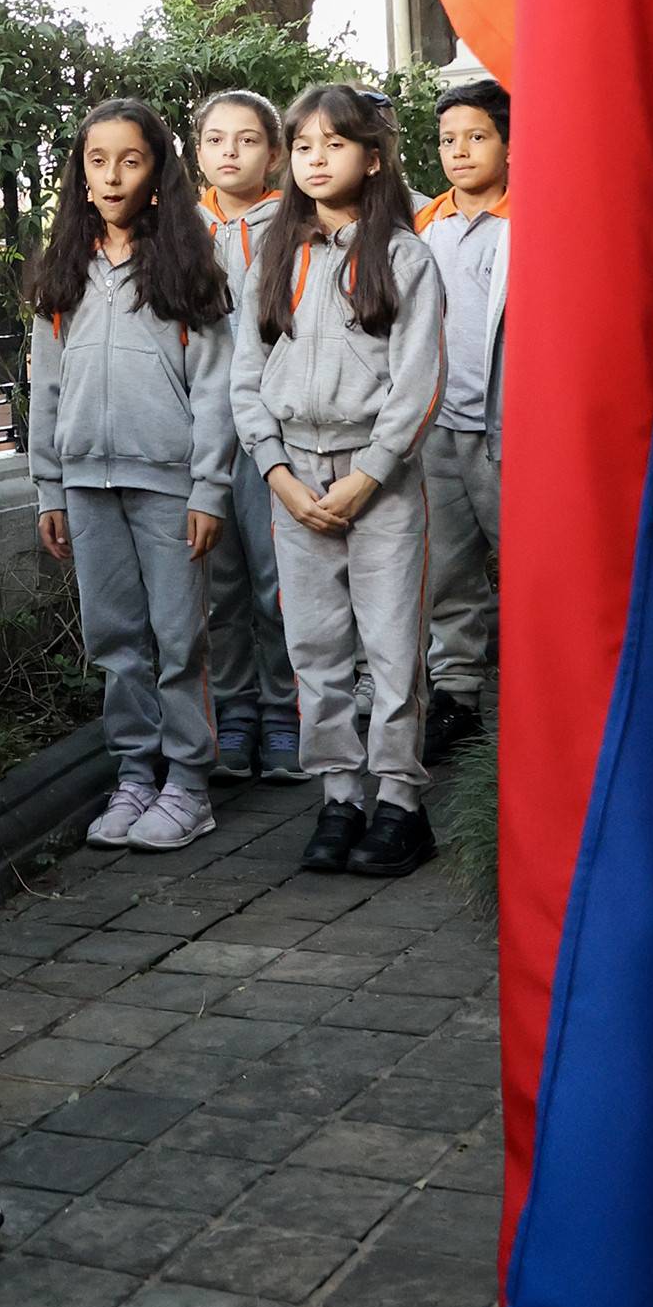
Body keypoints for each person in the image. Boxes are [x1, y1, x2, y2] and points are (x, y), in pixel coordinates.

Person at [230, 83, 446, 881]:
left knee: (391, 647)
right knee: (315, 648)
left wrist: (370, 475)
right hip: (295, 481)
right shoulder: (273, 258)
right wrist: (276, 472)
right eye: (304, 147)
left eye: (336, 144)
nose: (316, 160)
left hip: (377, 483)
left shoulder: (405, 258)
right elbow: (245, 378)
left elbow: (419, 382)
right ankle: (340, 795)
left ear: (374, 158)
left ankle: (400, 802)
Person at [27, 98, 234, 854]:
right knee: (114, 638)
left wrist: (209, 487)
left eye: (130, 160)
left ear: (157, 174)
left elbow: (215, 389)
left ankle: (189, 785)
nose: (112, 176)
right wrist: (49, 486)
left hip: (170, 483)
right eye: (98, 161)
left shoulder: (186, 268)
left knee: (179, 637)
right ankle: (136, 776)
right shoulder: (62, 271)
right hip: (86, 485)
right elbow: (47, 389)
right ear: (81, 175)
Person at [195, 89, 300, 785]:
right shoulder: (179, 230)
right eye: (215, 139)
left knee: (277, 580)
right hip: (201, 435)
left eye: (248, 139)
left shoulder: (295, 226)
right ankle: (233, 713)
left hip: (275, 435)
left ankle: (286, 711)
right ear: (197, 152)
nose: (230, 152)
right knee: (218, 585)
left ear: (275, 153)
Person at [413, 75, 510, 763]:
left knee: (531, 563)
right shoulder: (425, 225)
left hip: (508, 431)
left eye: (477, 137)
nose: (460, 151)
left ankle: (546, 690)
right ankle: (457, 695)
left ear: (509, 144)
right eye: (448, 140)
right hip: (439, 427)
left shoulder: (529, 220)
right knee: (448, 571)